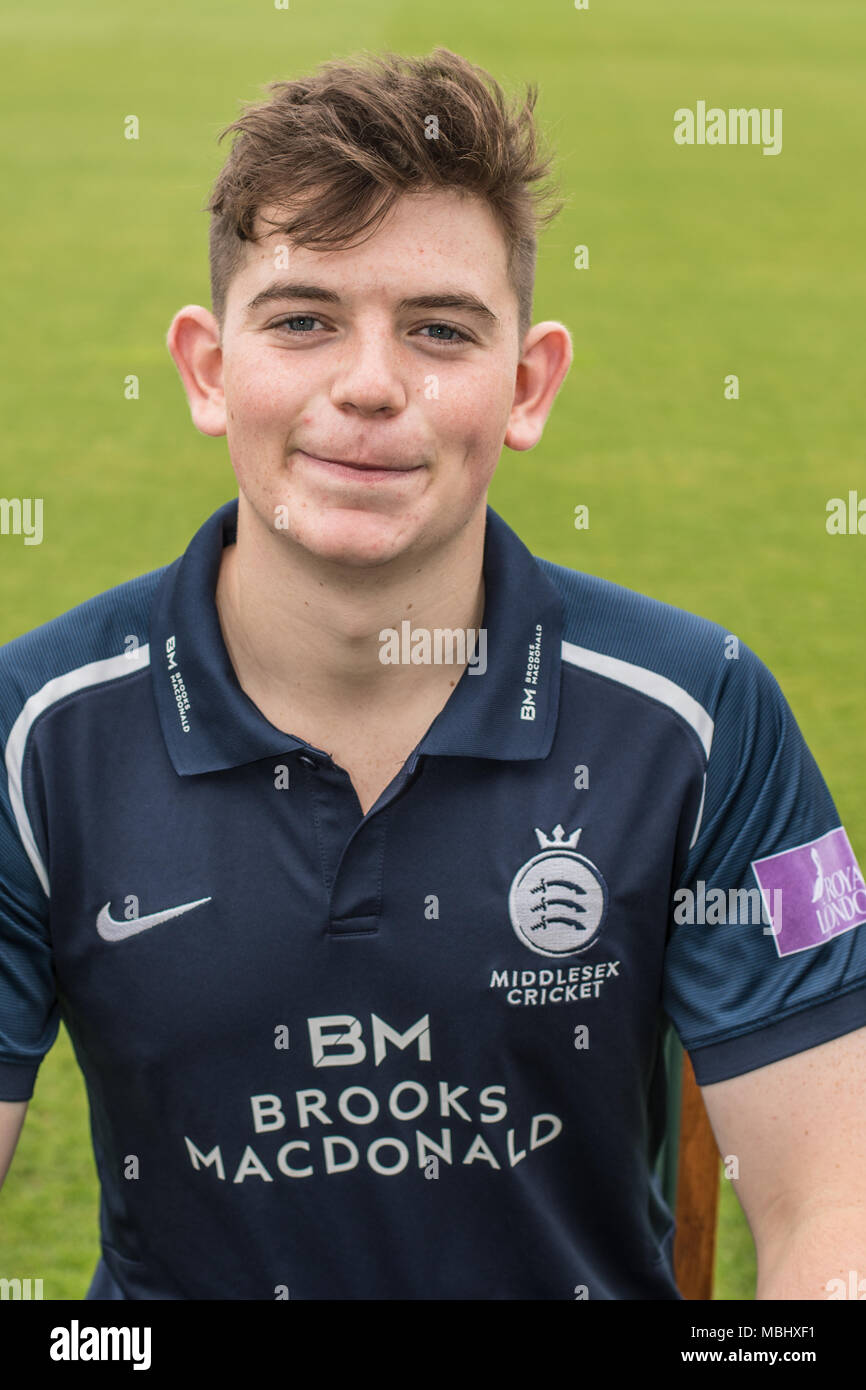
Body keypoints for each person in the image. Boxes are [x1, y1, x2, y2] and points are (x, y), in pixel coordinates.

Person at [1, 47, 865, 1301]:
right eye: (303, 320)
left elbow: (834, 1210)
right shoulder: (31, 732)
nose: (368, 386)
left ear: (525, 385)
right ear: (208, 369)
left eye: (439, 331)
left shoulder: (704, 712)